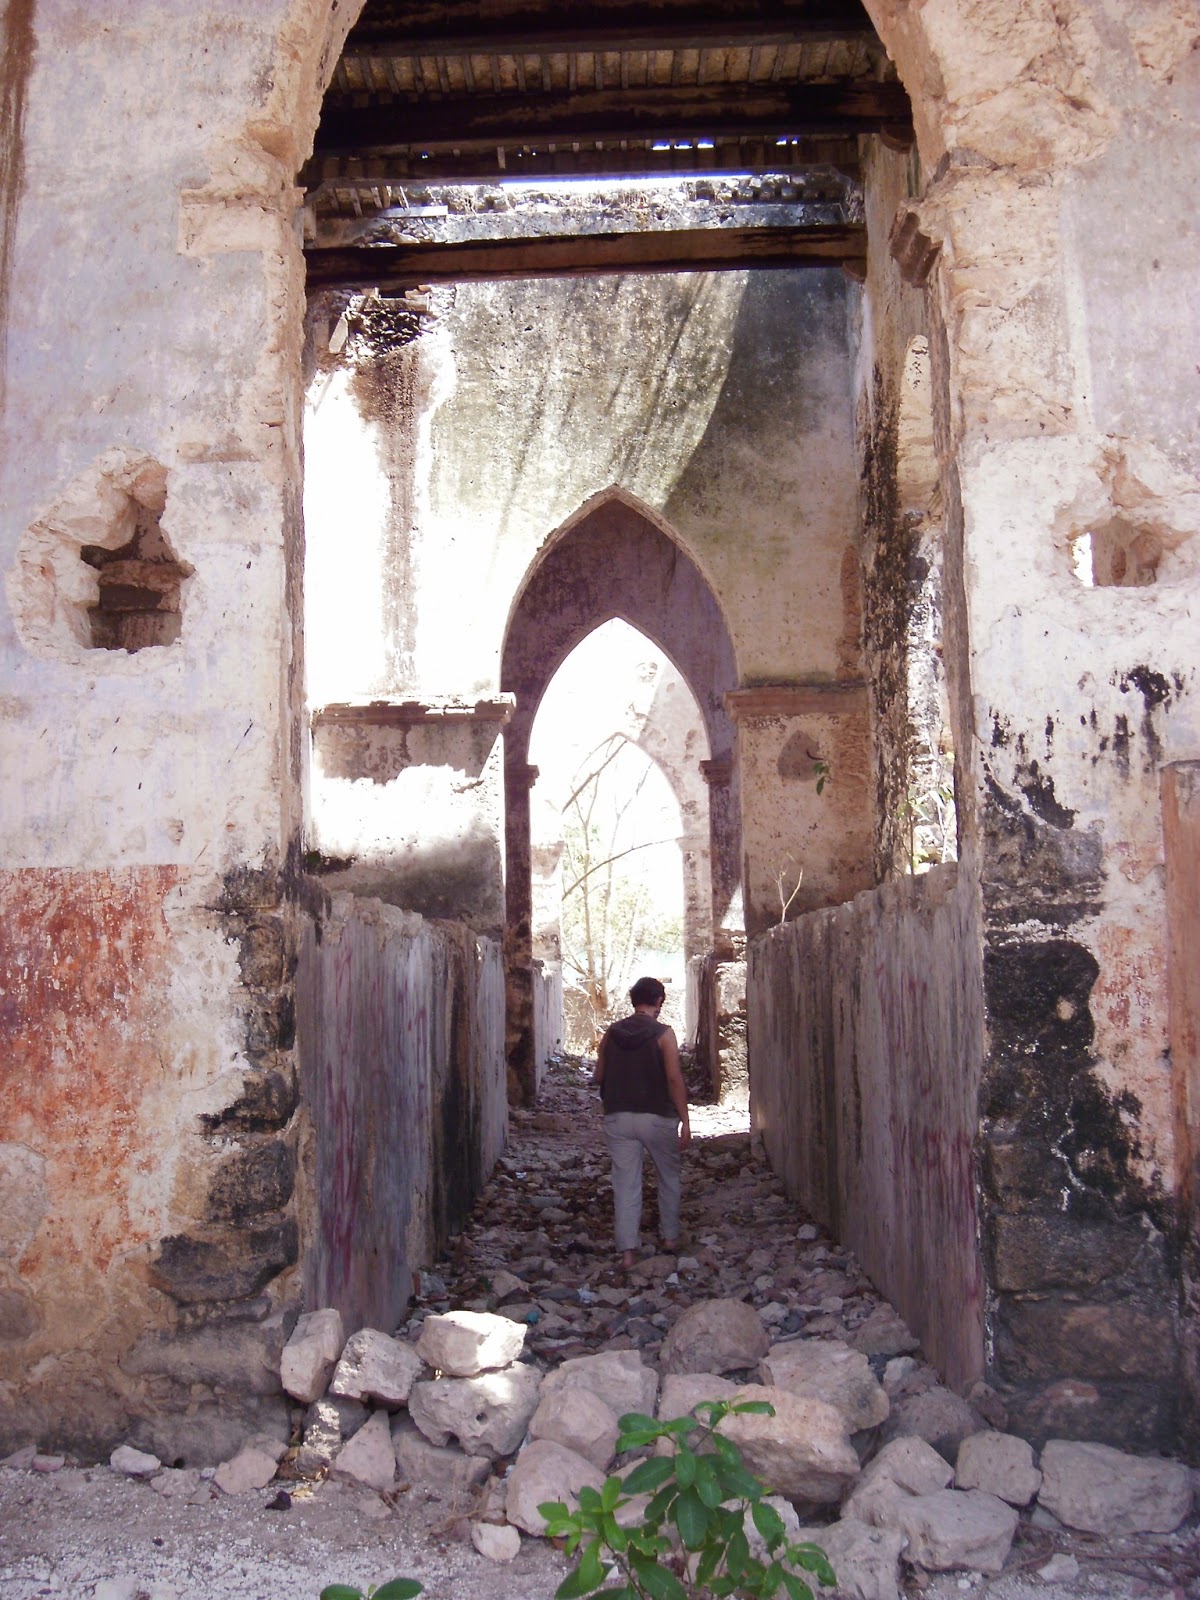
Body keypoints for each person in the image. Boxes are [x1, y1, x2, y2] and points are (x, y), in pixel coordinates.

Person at [593, 976, 691, 1270]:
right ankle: (670, 1238)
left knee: (625, 1184)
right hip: (657, 1117)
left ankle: (627, 1253)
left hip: (618, 1116)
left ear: (633, 1000)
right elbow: (674, 1079)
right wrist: (685, 1120)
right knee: (668, 1176)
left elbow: (598, 1075)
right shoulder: (664, 1034)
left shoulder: (612, 1032)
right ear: (659, 1001)